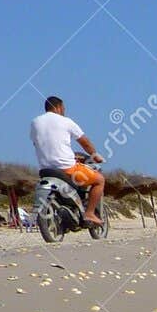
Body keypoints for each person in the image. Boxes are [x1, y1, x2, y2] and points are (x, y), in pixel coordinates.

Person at [30, 96, 105, 226]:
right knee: (99, 180)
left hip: (45, 169)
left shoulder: (35, 122)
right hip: (67, 168)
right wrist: (95, 155)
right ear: (58, 107)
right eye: (63, 108)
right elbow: (85, 143)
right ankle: (90, 213)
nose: (64, 111)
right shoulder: (66, 121)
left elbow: (37, 143)